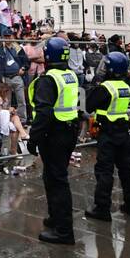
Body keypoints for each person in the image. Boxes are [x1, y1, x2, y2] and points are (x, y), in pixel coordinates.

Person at [28, 36, 81, 245]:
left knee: (57, 180)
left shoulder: (48, 80)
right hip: (68, 130)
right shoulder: (69, 75)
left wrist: (33, 139)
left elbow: (43, 113)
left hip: (54, 134)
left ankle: (64, 230)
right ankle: (56, 217)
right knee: (52, 177)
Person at [85, 51, 130, 219]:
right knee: (127, 170)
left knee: (104, 171)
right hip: (123, 131)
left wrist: (95, 85)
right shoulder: (126, 86)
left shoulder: (105, 88)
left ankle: (102, 208)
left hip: (108, 132)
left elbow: (89, 106)